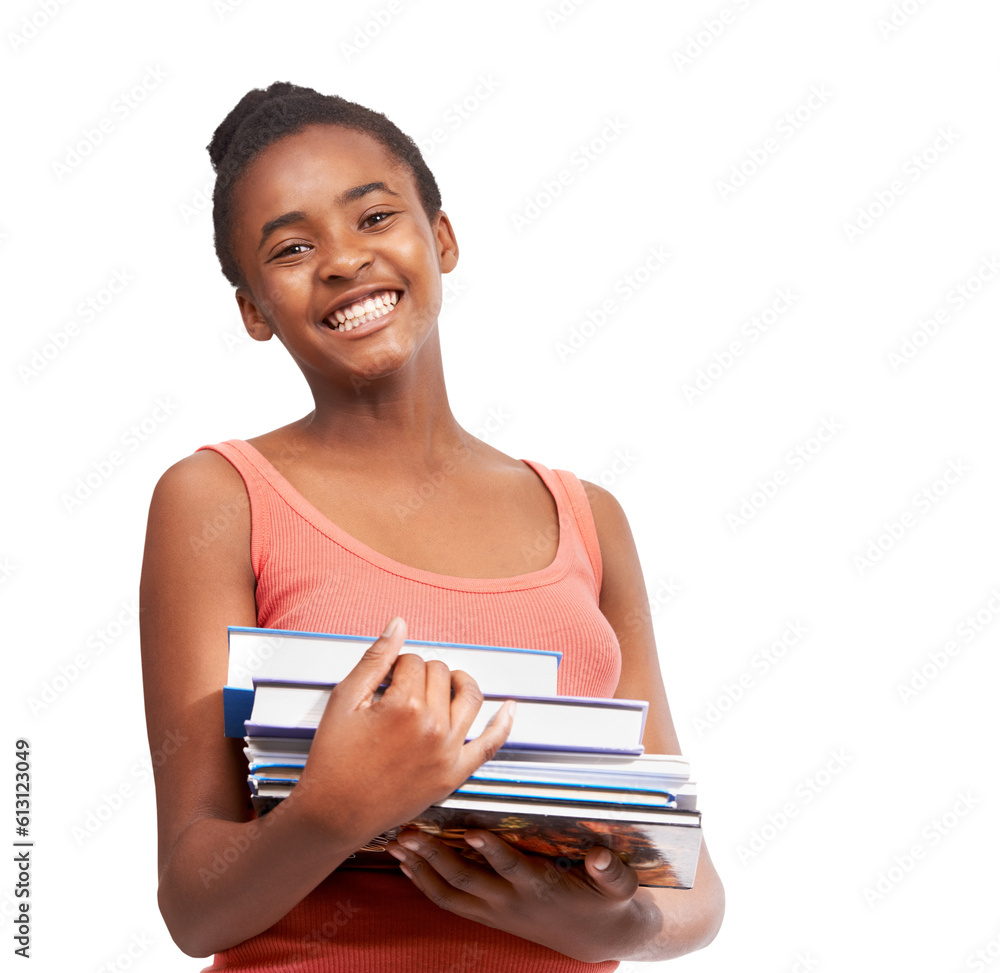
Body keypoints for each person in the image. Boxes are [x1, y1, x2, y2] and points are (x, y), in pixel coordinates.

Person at [138, 81, 724, 971]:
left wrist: (614, 927)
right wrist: (336, 809)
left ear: (442, 238)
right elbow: (193, 905)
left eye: (374, 217)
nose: (343, 260)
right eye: (292, 248)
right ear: (254, 309)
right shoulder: (217, 498)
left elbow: (692, 887)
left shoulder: (589, 517)